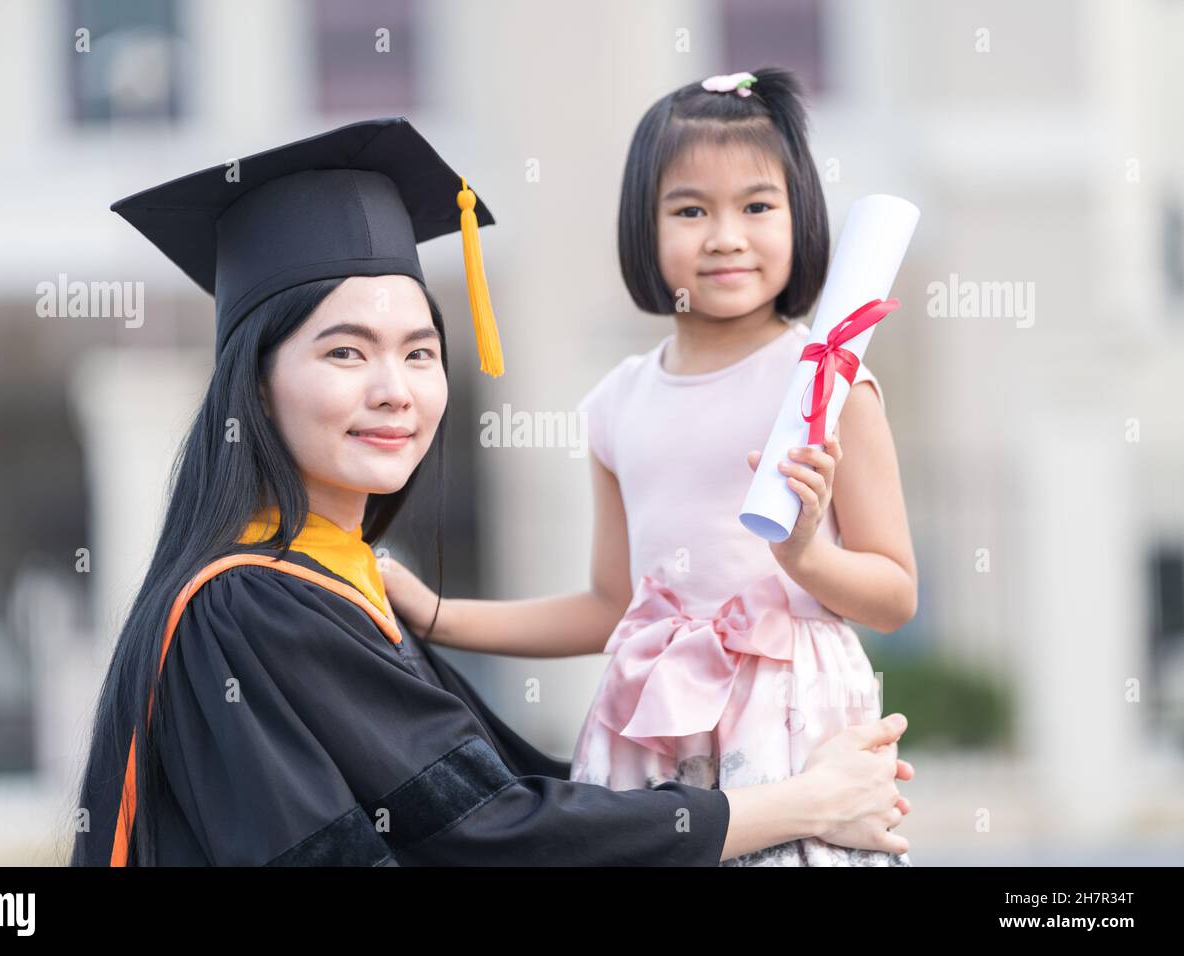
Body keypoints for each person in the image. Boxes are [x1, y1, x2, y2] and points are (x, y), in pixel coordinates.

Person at [69, 116, 914, 866]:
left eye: (420, 351)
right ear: (255, 387)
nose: (396, 388)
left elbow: (503, 793)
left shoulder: (334, 586)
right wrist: (792, 807)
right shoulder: (250, 605)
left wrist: (749, 793)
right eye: (344, 352)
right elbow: (487, 831)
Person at [382, 70, 919, 866]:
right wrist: (436, 615)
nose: (726, 235)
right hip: (651, 716)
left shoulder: (825, 382)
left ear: (801, 217)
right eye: (691, 209)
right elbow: (611, 607)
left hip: (788, 722)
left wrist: (806, 556)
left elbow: (895, 593)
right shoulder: (617, 403)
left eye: (758, 206)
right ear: (645, 226)